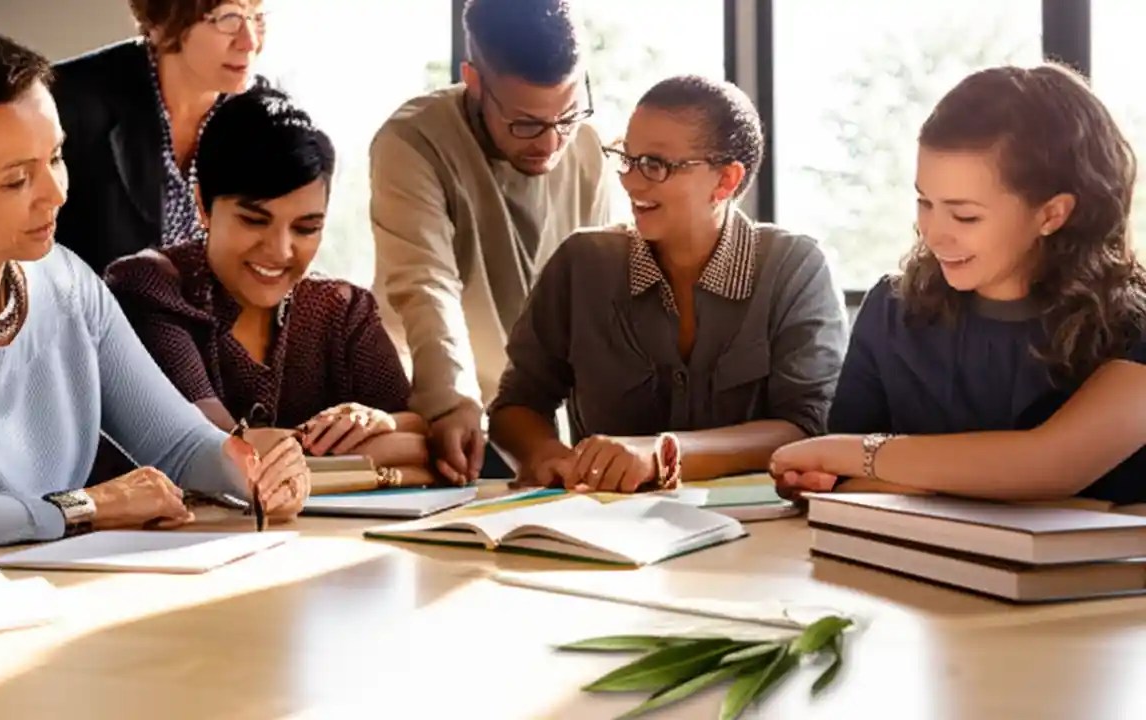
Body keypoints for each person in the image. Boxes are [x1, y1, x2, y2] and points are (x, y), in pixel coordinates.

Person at [0, 23, 307, 559]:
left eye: (55, 157)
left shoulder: (70, 284)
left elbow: (179, 442)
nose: (55, 193)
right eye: (15, 180)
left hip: (59, 593)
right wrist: (78, 508)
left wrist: (255, 473)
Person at [770, 63, 1146, 505]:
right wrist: (850, 466)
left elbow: (1049, 465)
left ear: (1051, 214)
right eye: (925, 202)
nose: (934, 233)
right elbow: (835, 483)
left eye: (965, 215)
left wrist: (860, 456)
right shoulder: (891, 311)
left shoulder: (1132, 330)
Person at [488, 75, 848, 493]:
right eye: (628, 158)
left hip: (759, 532)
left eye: (656, 165)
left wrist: (663, 454)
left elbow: (809, 427)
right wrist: (545, 455)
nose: (630, 181)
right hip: (606, 531)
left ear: (725, 180)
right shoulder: (581, 265)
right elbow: (515, 405)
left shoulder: (793, 269)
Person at [107, 87, 431, 477]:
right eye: (254, 220)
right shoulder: (151, 287)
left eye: (306, 228)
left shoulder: (343, 309)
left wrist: (377, 421)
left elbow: (420, 434)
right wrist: (379, 451)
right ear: (202, 205)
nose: (280, 251)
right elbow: (222, 449)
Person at [370, 0, 612, 485]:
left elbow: (597, 307)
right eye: (525, 123)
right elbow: (425, 283)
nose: (549, 142)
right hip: (441, 417)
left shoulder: (585, 148)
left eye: (566, 115)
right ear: (474, 79)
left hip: (537, 422)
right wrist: (451, 403)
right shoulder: (413, 141)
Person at [52, 0, 266, 274]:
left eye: (256, 17)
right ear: (162, 24)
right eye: (229, 19)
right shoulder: (68, 102)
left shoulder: (263, 114)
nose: (249, 42)